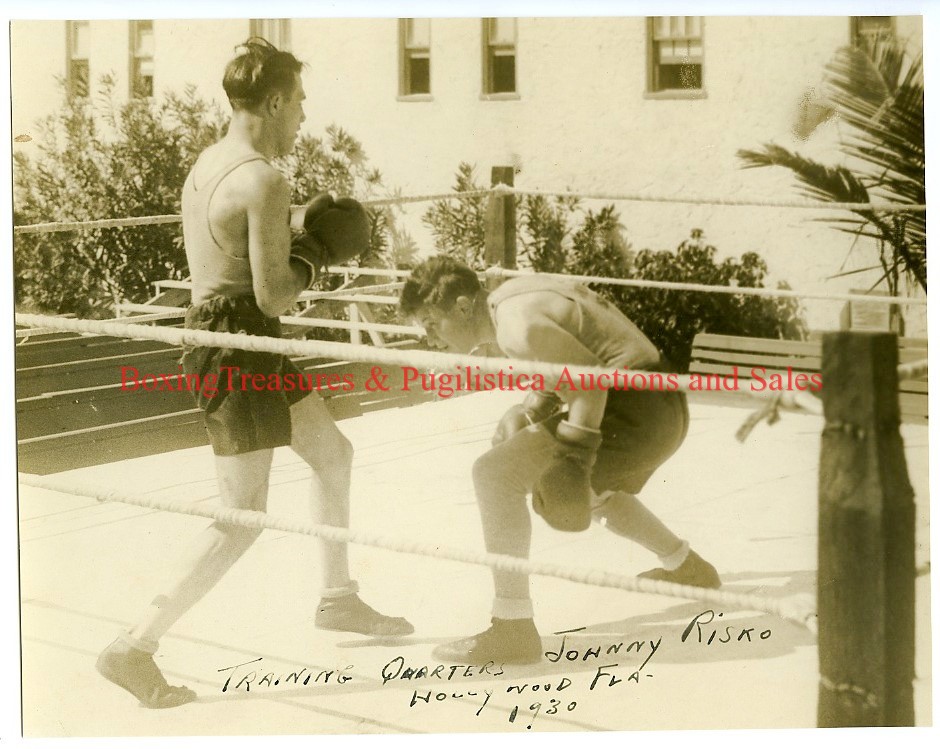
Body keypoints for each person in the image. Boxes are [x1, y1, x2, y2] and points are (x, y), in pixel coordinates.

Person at [96, 38, 412, 709]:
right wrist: (319, 251)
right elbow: (274, 296)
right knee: (242, 516)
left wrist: (298, 232)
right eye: (298, 101)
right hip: (237, 345)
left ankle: (338, 596)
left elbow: (238, 250)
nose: (303, 114)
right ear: (272, 102)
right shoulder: (266, 178)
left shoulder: (212, 162)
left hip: (233, 337)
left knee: (333, 454)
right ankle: (134, 644)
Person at [399, 256, 720, 665]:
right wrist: (534, 408)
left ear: (462, 306)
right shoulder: (513, 297)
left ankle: (513, 627)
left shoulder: (516, 325)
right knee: (590, 491)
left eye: (431, 323)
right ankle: (687, 567)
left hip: (632, 408)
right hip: (662, 406)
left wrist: (573, 456)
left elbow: (589, 380)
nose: (429, 339)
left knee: (494, 474)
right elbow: (574, 361)